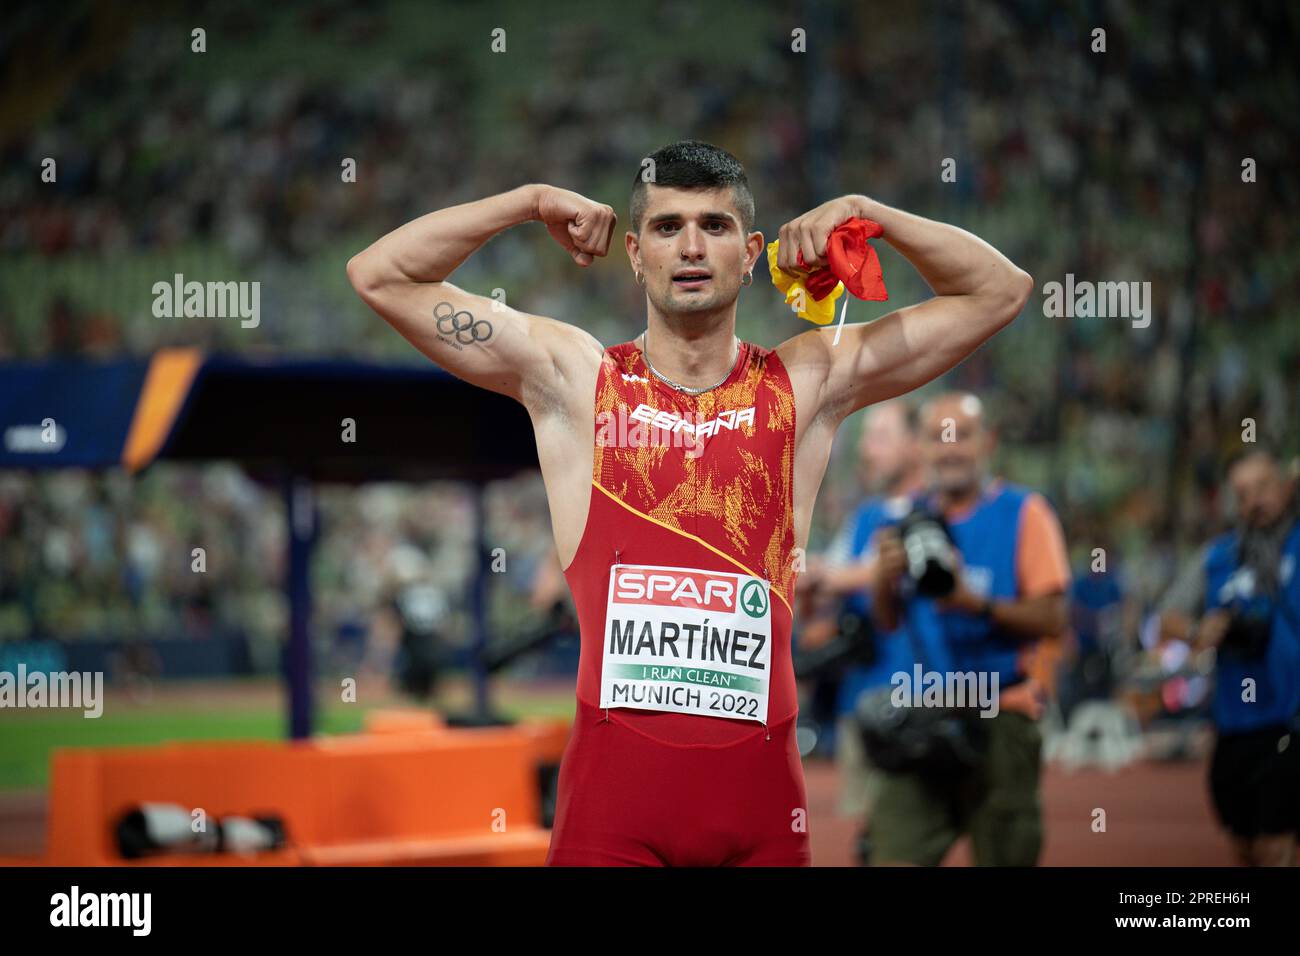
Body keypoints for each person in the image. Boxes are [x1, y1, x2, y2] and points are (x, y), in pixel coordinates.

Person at [346, 140, 1033, 866]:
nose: (692, 247)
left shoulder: (806, 384)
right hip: (611, 817)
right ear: (636, 254)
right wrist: (527, 202)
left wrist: (872, 215)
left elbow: (1000, 291)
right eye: (668, 227)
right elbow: (379, 275)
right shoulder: (578, 382)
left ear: (752, 252)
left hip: (761, 816)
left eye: (715, 225)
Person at [869, 392, 1071, 866]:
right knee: (890, 854)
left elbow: (1054, 618)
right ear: (920, 448)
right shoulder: (907, 518)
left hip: (1002, 711)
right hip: (925, 713)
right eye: (938, 438)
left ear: (989, 442)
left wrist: (973, 604)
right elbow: (888, 621)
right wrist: (882, 578)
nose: (950, 449)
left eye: (962, 435)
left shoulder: (1025, 512)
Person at [797, 399, 929, 861]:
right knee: (866, 838)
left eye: (881, 438)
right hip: (861, 700)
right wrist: (811, 584)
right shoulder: (866, 516)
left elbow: (874, 571)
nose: (868, 450)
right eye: (867, 439)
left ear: (915, 445)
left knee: (907, 835)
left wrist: (824, 577)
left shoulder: (933, 510)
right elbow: (823, 585)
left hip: (919, 699)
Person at [1156, 447, 1300, 866]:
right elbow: (1165, 619)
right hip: (1234, 725)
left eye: (1263, 487)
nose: (1255, 501)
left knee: (1275, 846)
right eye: (1243, 493)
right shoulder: (1218, 557)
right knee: (1245, 847)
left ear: (1285, 487)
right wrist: (1199, 631)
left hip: (1289, 721)